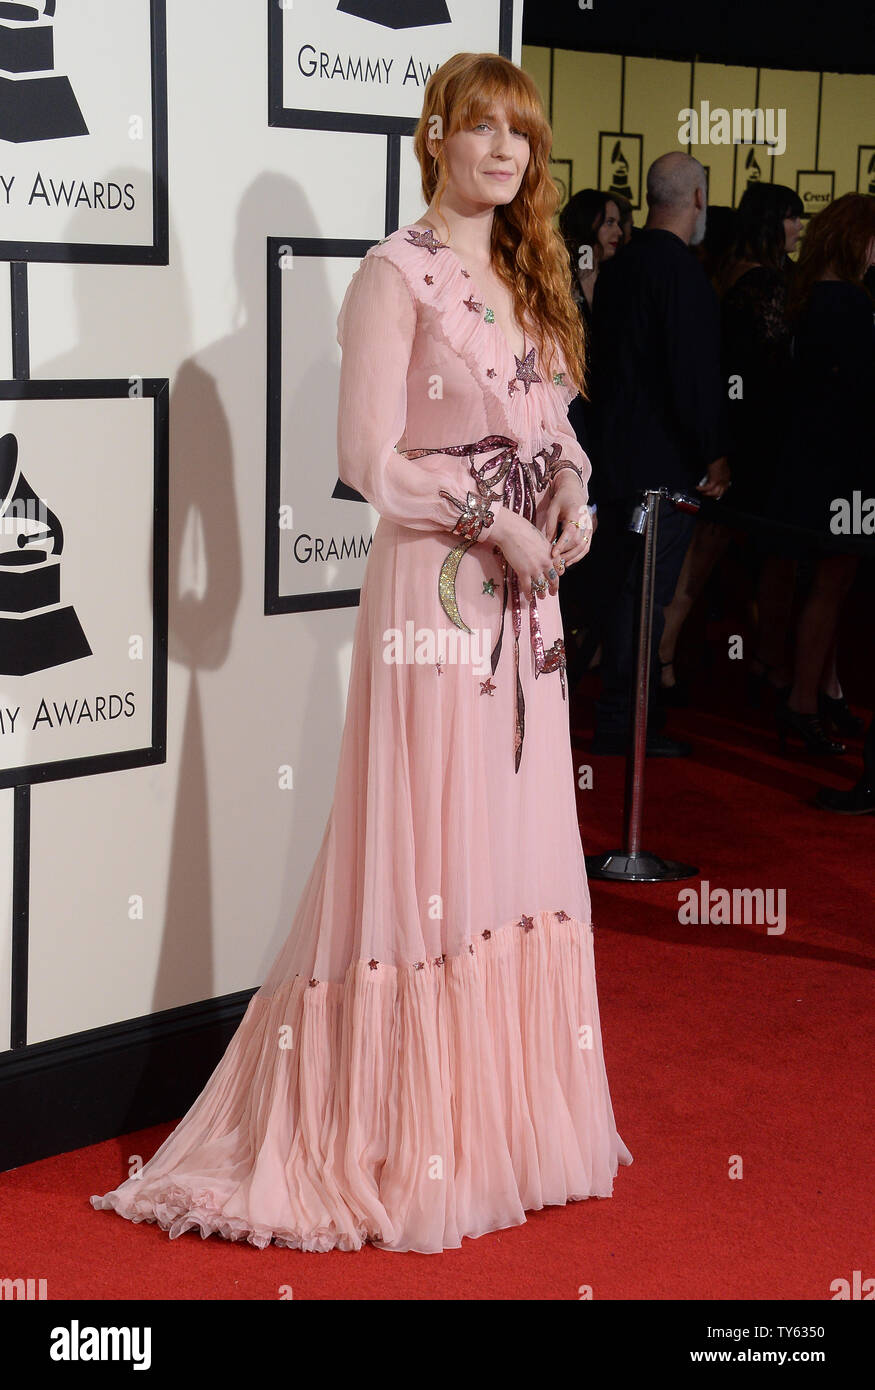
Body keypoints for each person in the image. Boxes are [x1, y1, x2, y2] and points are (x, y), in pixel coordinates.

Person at [90, 53, 632, 1255]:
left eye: (519, 134)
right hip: (434, 596)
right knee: (431, 849)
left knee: (510, 851)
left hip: (525, 609)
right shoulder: (394, 275)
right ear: (435, 137)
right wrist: (484, 516)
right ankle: (401, 1139)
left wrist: (572, 503)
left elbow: (561, 435)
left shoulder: (532, 281)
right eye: (480, 128)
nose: (502, 150)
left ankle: (504, 1138)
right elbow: (364, 458)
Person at [585, 152, 728, 756]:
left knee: (626, 589)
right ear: (697, 199)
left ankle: (623, 715)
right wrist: (715, 456)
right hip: (661, 472)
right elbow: (692, 377)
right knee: (645, 595)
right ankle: (626, 721)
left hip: (612, 463)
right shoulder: (683, 275)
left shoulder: (620, 268)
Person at [658, 184, 801, 707]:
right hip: (745, 446)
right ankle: (667, 666)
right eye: (791, 217)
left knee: (707, 566)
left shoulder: (724, 270)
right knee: (713, 564)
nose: (799, 228)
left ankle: (672, 663)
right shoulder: (762, 283)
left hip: (727, 439)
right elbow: (767, 373)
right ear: (769, 222)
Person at [771, 193, 875, 755]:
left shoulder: (808, 297)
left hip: (815, 465)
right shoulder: (849, 305)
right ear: (856, 240)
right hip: (845, 472)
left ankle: (814, 694)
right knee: (831, 586)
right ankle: (804, 703)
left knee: (823, 584)